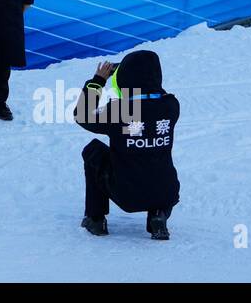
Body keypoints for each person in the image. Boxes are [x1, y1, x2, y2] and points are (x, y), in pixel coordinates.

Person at [73, 49, 180, 240]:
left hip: (127, 193)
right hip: (166, 192)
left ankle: (96, 219)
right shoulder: (171, 106)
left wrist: (98, 80)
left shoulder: (118, 110)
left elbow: (82, 115)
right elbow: (153, 96)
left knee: (93, 151)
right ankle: (158, 216)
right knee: (156, 169)